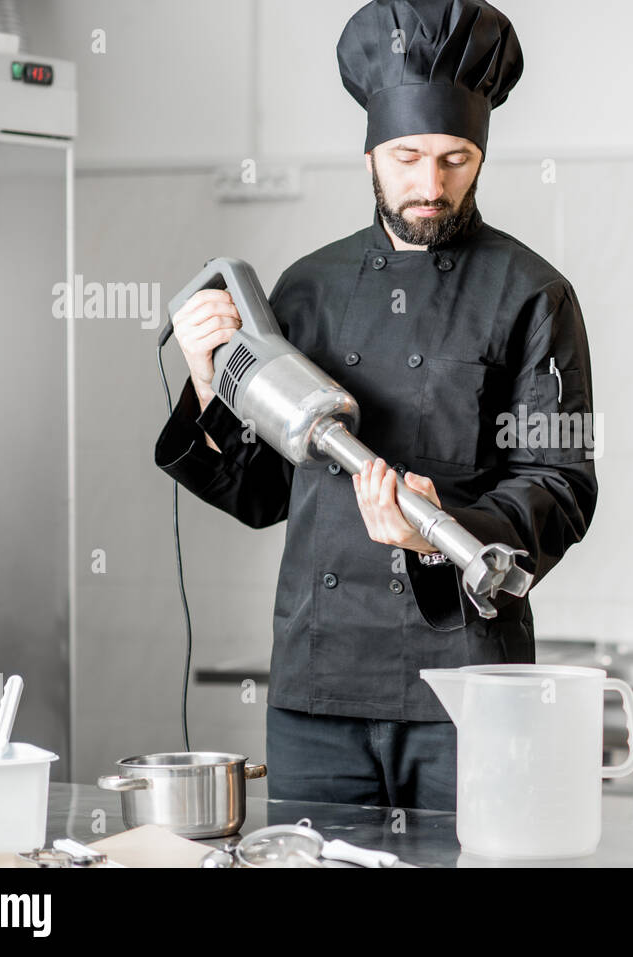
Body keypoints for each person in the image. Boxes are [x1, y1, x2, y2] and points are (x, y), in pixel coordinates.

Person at [153, 0, 597, 812]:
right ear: (368, 154)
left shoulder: (534, 295)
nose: (430, 186)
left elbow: (562, 488)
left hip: (468, 688)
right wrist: (208, 377)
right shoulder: (306, 290)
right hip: (317, 688)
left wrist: (447, 532)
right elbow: (259, 495)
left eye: (455, 160)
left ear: (482, 154)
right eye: (407, 157)